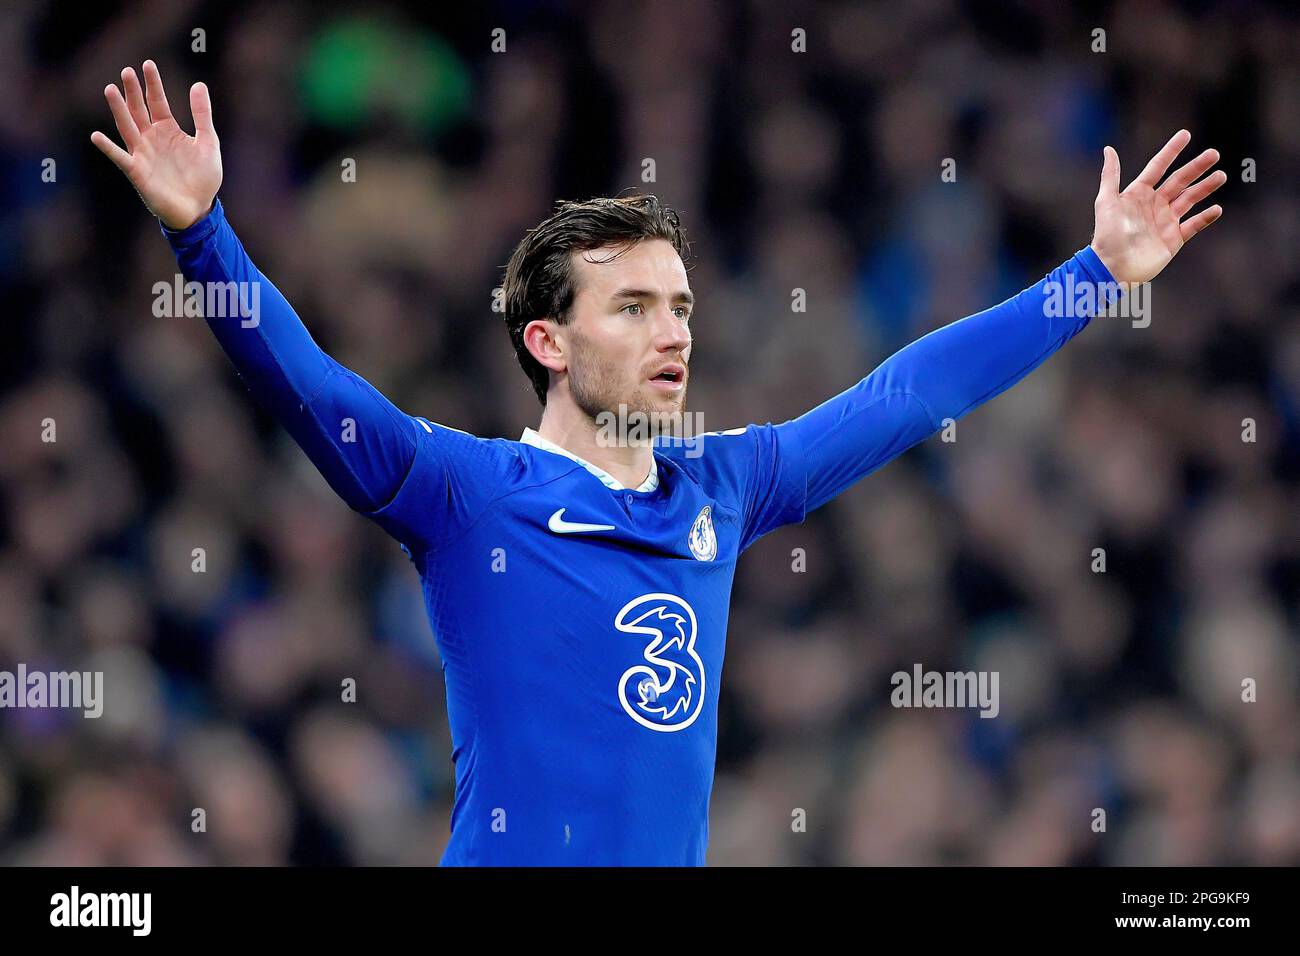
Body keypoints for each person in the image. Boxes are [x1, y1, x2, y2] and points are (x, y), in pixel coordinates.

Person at [92, 60, 1225, 865]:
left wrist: (1093, 276)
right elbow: (314, 389)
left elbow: (909, 393)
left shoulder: (723, 485)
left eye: (679, 305)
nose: (674, 331)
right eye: (632, 307)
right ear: (547, 340)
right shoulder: (470, 495)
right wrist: (202, 233)